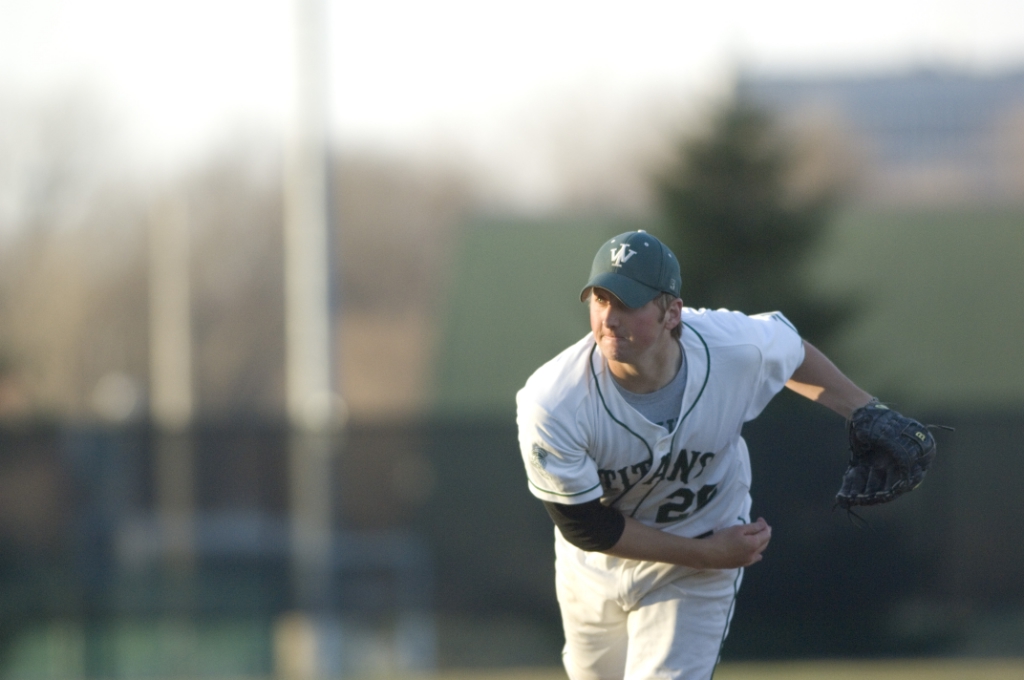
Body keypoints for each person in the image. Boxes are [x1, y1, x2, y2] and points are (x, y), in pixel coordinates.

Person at [515, 230, 874, 680]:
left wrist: (867, 412)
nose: (608, 318)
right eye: (600, 299)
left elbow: (792, 351)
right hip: (597, 567)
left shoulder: (730, 346)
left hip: (701, 543)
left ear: (672, 312)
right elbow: (585, 525)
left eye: (627, 302)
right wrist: (703, 554)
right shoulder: (554, 400)